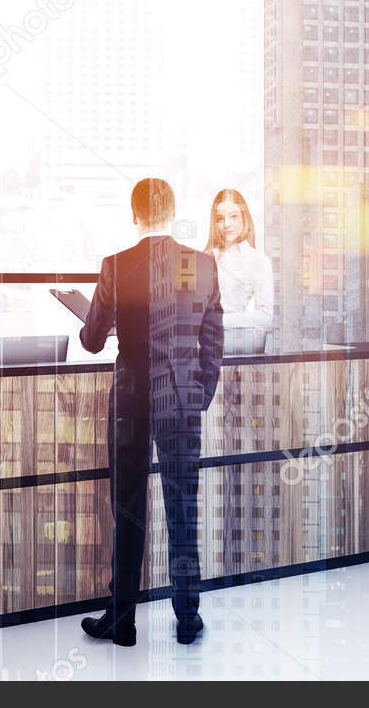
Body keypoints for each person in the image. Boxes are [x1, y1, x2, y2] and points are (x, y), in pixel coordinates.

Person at [79, 177, 223, 647]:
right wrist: (200, 394)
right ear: (173, 211)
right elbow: (212, 339)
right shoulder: (201, 264)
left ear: (135, 214)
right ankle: (187, 619)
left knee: (128, 509)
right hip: (180, 401)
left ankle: (121, 622)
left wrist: (93, 320)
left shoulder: (116, 265)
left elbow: (93, 340)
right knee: (182, 507)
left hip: (131, 401)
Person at [204, 188, 274, 354]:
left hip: (232, 348)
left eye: (233, 216)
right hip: (199, 349)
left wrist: (218, 321)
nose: (226, 224)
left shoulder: (258, 260)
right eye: (220, 219)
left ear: (244, 218)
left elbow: (265, 317)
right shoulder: (204, 257)